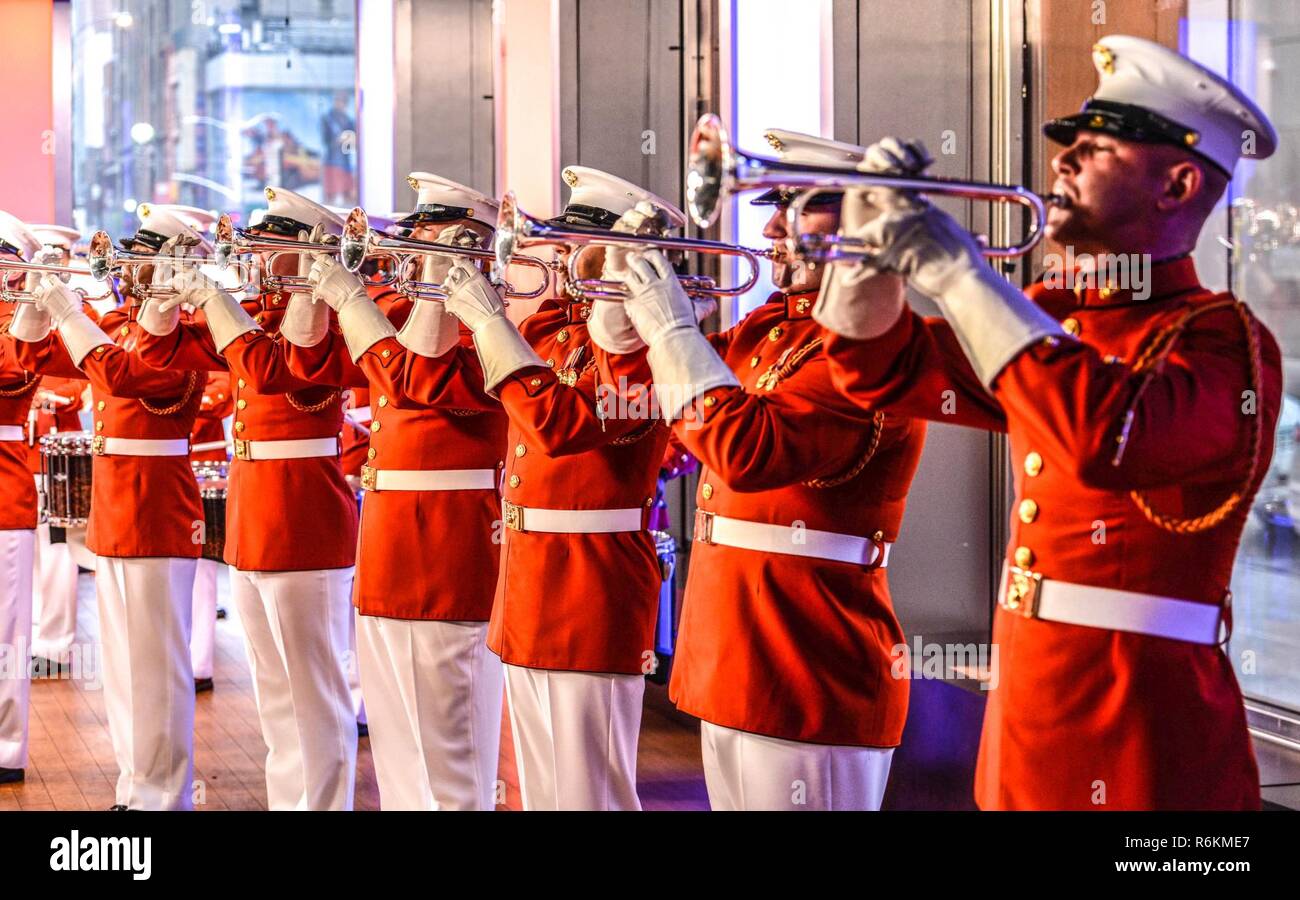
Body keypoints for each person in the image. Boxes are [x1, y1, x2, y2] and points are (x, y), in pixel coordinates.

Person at [813, 35, 1281, 810]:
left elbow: (1103, 440)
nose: (1060, 161)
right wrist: (862, 251)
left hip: (1138, 719)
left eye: (1094, 149)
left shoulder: (1223, 341)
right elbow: (880, 372)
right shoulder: (1057, 322)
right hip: (1031, 704)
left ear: (1178, 183)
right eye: (1068, 145)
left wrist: (958, 273)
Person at [591, 131, 927, 810]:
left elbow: (749, 452)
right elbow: (631, 396)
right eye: (775, 204)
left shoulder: (869, 347)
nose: (772, 226)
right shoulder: (772, 327)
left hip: (807, 658)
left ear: (860, 218)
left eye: (796, 205)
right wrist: (618, 297)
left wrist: (673, 329)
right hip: (736, 647)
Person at [433, 167, 695, 810]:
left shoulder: (637, 339)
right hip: (533, 578)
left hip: (591, 583)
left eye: (573, 241)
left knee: (589, 792)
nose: (552, 251)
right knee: (545, 789)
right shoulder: (555, 324)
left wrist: (492, 324)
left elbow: (560, 426)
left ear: (615, 252)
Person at [280, 172, 508, 809]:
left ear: (467, 245)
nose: (409, 245)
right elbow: (303, 365)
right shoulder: (408, 315)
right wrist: (314, 284)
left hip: (447, 560)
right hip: (389, 556)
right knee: (402, 756)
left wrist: (353, 298)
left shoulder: (485, 328)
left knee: (450, 764)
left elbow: (417, 378)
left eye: (429, 237)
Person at [134, 187, 359, 811]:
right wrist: (160, 299)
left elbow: (268, 371)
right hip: (257, 516)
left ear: (310, 252)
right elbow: (156, 358)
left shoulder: (329, 316)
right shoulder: (258, 308)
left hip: (303, 518)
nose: (256, 253)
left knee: (314, 695)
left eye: (271, 244)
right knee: (276, 695)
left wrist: (213, 297)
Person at [6, 205, 210, 809]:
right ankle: (137, 784)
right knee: (123, 666)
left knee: (155, 666)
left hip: (156, 508)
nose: (133, 270)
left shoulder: (186, 339)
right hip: (120, 506)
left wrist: (68, 307)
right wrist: (38, 298)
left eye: (148, 259)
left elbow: (120, 375)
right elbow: (32, 355)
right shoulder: (125, 324)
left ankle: (163, 793)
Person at [0, 213, 46, 785]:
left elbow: (14, 371)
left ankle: (5, 746)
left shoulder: (24, 322)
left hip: (4, 492)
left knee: (7, 630)